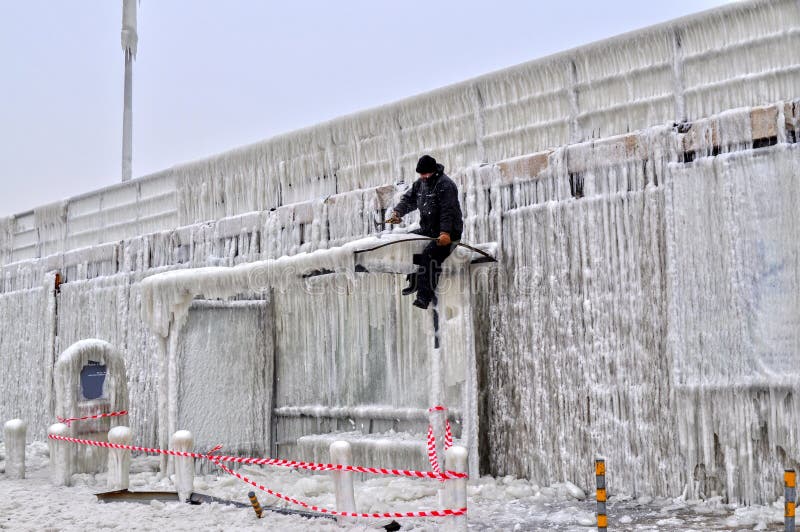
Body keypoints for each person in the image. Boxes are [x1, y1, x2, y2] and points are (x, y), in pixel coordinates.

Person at [385, 155, 463, 309]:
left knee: (430, 254)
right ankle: (414, 282)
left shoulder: (445, 185)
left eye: (425, 174)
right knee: (409, 241)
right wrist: (398, 213)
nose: (423, 177)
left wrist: (446, 233)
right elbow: (408, 200)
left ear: (433, 171)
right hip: (429, 230)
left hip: (448, 233)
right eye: (420, 174)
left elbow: (448, 211)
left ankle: (424, 296)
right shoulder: (420, 184)